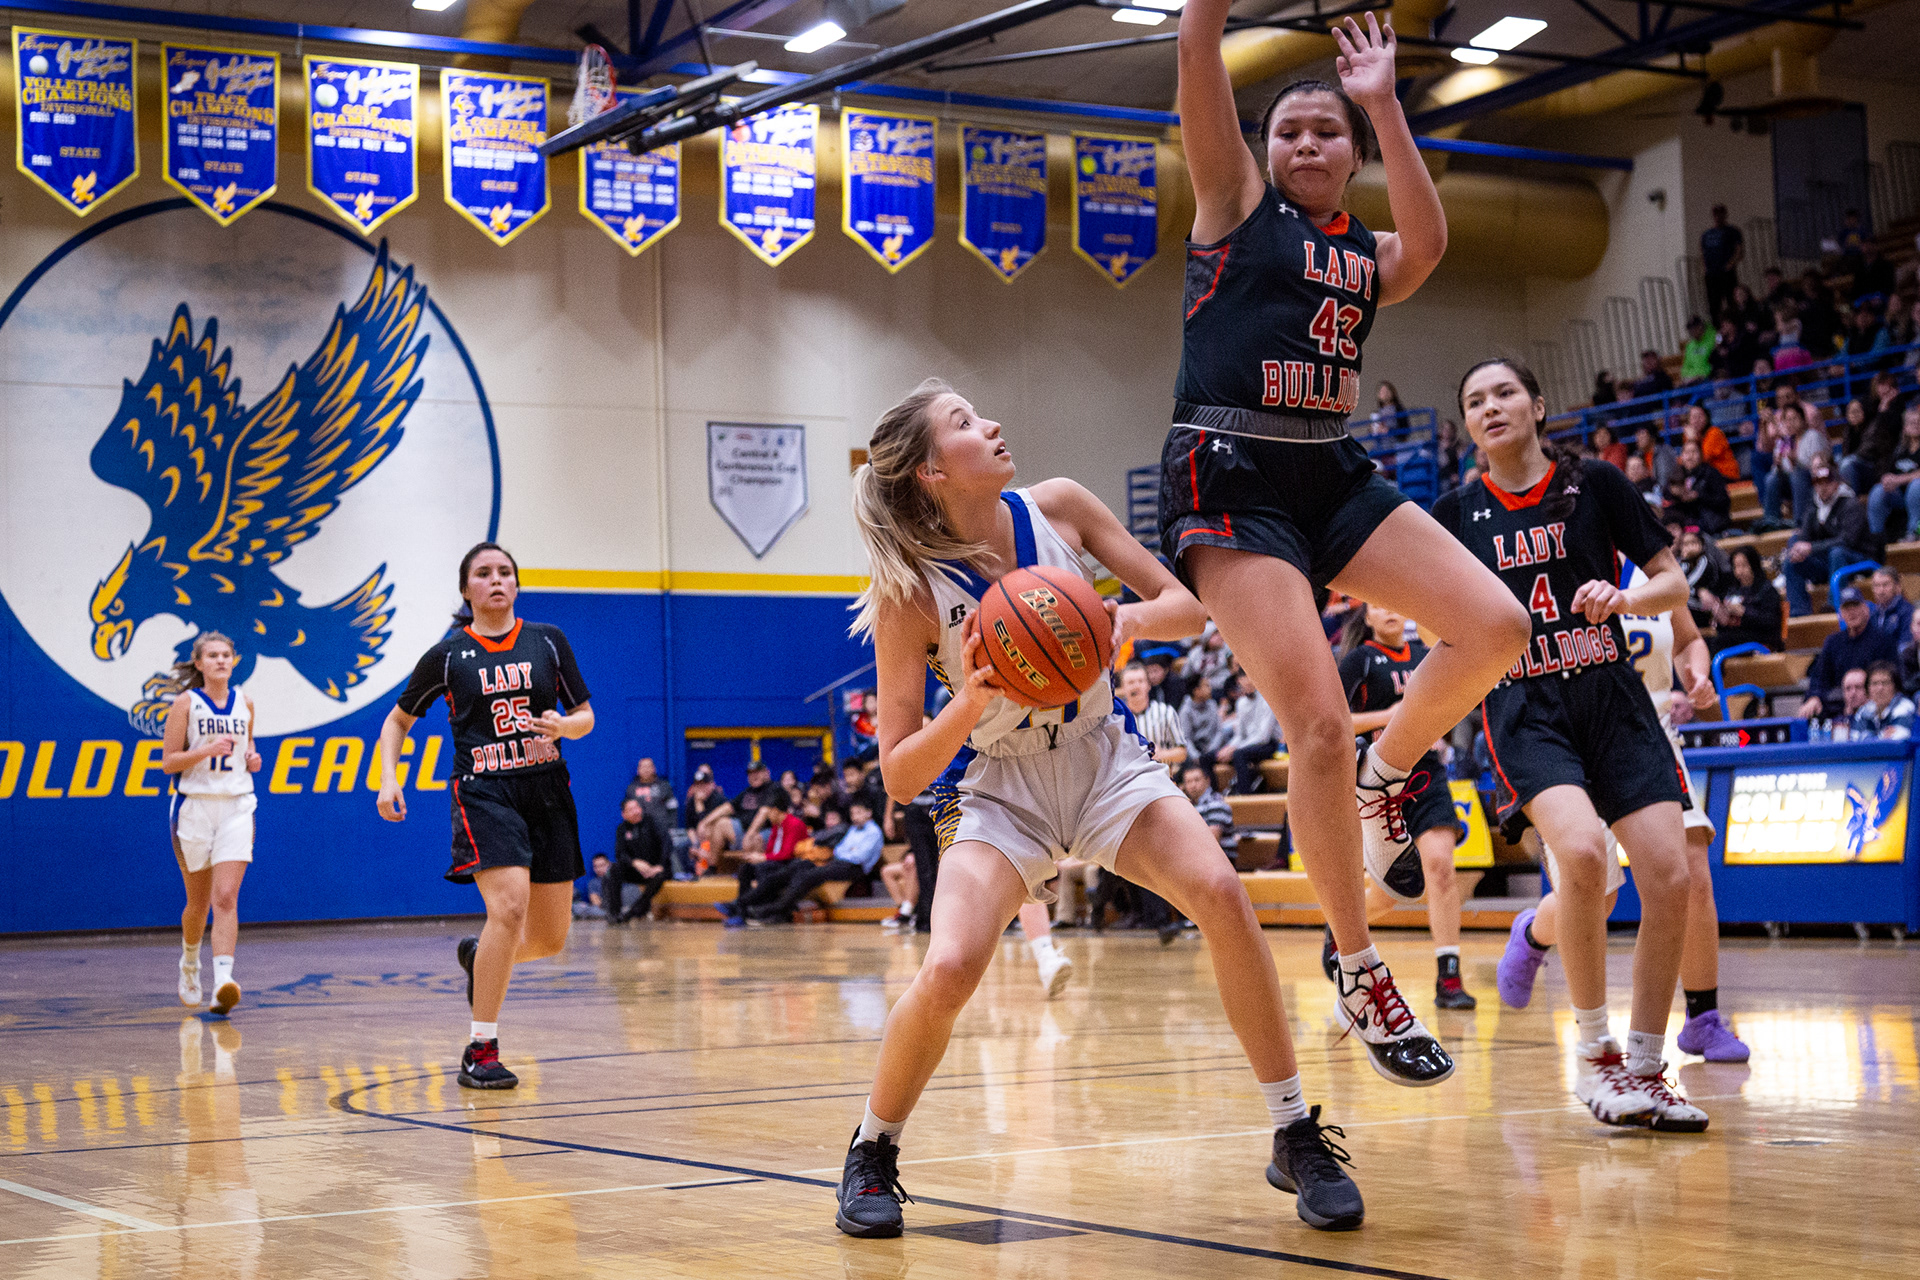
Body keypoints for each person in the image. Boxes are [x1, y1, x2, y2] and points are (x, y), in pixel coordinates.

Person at [837, 378, 1373, 1238]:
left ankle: (1294, 1130)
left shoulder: (1059, 507)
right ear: (934, 471)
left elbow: (1190, 608)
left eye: (984, 408)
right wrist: (970, 701)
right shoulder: (912, 591)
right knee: (949, 970)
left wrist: (1104, 619)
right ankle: (873, 1150)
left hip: (1104, 760)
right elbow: (900, 774)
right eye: (967, 422)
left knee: (1224, 899)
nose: (996, 420)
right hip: (996, 786)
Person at [1167, 0, 1526, 1104]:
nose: (1307, 144)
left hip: (1328, 466)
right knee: (1316, 721)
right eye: (1293, 131)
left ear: (1354, 152)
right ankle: (1360, 964)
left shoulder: (1362, 253)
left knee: (1500, 625)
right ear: (1266, 153)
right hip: (1231, 472)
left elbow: (1426, 245)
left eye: (1329, 132)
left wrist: (1384, 103)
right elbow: (1201, 73)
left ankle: (1389, 771)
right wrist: (1208, 13)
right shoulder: (1233, 204)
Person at [1433, 358, 1706, 1130]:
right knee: (1583, 855)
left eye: (1505, 393)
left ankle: (1649, 1069)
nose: (1491, 407)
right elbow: (1434, 623)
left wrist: (1625, 597)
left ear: (1538, 405)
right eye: (1475, 399)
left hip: (1612, 695)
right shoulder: (1456, 513)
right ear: (1469, 425)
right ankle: (1594, 1056)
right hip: (1526, 705)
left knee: (1669, 873)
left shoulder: (1599, 485)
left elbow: (1673, 582)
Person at [1499, 557, 1752, 1063]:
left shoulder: (1650, 571)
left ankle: (1702, 1017)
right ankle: (1532, 932)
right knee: (1599, 894)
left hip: (1652, 733)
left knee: (1692, 871)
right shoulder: (1548, 568)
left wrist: (1697, 675)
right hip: (1577, 740)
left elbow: (1688, 640)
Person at [376, 542, 595, 1090]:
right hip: (484, 790)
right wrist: (387, 777)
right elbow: (396, 722)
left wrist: (565, 727)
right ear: (467, 588)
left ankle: (481, 960)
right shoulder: (449, 656)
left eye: (506, 572)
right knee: (509, 908)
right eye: (484, 573)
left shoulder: (549, 641)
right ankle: (481, 1048)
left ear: (517, 585)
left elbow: (586, 714)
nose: (497, 580)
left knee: (549, 940)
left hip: (547, 791)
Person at [1325, 602, 1476, 1010]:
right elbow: (1331, 718)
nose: (1389, 610)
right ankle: (1340, 929)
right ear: (1366, 618)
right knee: (1392, 894)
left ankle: (1449, 977)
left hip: (1426, 771)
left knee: (1441, 867)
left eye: (1394, 603)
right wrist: (1388, 716)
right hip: (1379, 777)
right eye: (1377, 605)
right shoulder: (1359, 659)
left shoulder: (1427, 656)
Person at [161, 631, 263, 1016]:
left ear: (233, 661)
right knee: (198, 903)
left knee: (226, 897)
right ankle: (190, 962)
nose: (221, 660)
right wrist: (204, 750)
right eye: (213, 655)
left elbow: (247, 749)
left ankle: (223, 982)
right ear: (200, 663)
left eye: (227, 654)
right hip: (194, 806)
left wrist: (252, 758)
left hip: (237, 804)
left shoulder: (245, 703)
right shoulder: (185, 704)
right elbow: (169, 761)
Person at [743, 797, 889, 922]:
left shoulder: (873, 832)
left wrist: (848, 852)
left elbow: (859, 857)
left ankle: (776, 909)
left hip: (854, 868)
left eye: (859, 812)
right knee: (799, 867)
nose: (855, 816)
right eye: (852, 813)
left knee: (808, 876)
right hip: (838, 862)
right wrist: (849, 851)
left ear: (869, 813)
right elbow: (840, 849)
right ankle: (757, 904)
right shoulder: (853, 829)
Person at [1783, 464, 1878, 617]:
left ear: (1837, 483)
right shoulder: (1814, 507)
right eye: (1818, 483)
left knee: (1837, 553)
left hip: (1859, 559)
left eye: (1827, 482)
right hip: (1829, 562)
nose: (1823, 487)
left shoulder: (1851, 504)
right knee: (1792, 560)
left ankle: (1833, 605)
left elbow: (1848, 541)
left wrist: (1811, 548)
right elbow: (1804, 537)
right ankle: (1798, 611)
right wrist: (1798, 549)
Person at [1796, 586, 1898, 718]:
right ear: (1841, 614)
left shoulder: (1883, 640)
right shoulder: (1833, 642)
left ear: (1866, 609)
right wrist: (1814, 696)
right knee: (1811, 709)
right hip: (1840, 704)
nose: (1851, 612)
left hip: (1875, 703)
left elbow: (1891, 677)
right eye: (1847, 609)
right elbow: (1820, 676)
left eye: (1855, 606)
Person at [717, 788, 809, 925]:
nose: (767, 817)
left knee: (763, 868)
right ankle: (742, 913)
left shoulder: (794, 824)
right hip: (777, 862)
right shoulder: (777, 826)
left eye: (768, 812)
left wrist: (763, 858)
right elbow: (771, 850)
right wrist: (759, 856)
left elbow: (787, 854)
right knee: (746, 868)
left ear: (776, 810)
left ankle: (742, 907)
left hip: (790, 865)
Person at [1707, 544, 1783, 653]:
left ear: (1753, 565)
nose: (1739, 572)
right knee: (1708, 641)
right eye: (1736, 567)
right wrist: (1721, 616)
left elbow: (1771, 622)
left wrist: (1744, 612)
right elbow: (1723, 628)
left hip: (1761, 638)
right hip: (1738, 636)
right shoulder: (1732, 591)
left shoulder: (1767, 590)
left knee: (1719, 642)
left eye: (1743, 566)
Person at [1216, 671, 1281, 794]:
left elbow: (1263, 737)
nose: (1247, 682)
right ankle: (1214, 798)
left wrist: (1235, 748)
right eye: (1243, 679)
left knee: (1239, 755)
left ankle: (1245, 796)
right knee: (1208, 758)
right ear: (1239, 681)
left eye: (1250, 678)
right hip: (1246, 744)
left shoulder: (1269, 699)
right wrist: (1229, 747)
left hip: (1269, 745)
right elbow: (1240, 735)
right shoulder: (1241, 703)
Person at [607, 797, 669, 923]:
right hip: (636, 870)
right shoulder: (622, 829)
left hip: (657, 869)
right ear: (624, 814)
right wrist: (634, 863)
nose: (636, 811)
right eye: (631, 809)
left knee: (660, 876)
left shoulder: (653, 822)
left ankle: (633, 912)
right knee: (613, 870)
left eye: (637, 807)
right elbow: (620, 853)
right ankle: (614, 913)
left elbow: (667, 844)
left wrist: (660, 866)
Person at [1119, 659, 1190, 767]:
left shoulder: (1166, 712)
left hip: (1160, 777)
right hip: (1129, 780)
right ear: (1123, 689)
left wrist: (1162, 754)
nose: (1136, 686)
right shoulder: (1116, 718)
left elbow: (1182, 752)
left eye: (1140, 681)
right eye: (1131, 682)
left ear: (1148, 685)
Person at [1662, 441, 1730, 534]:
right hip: (1684, 524)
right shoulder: (1675, 475)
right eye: (1686, 453)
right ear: (1681, 456)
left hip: (1709, 524)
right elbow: (1666, 500)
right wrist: (1675, 495)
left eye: (1694, 452)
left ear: (1701, 455)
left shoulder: (1711, 473)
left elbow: (1723, 501)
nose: (1690, 457)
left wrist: (1699, 496)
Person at [1179, 760, 1238, 856]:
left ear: (1207, 780)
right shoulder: (1188, 805)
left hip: (1221, 862)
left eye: (1197, 780)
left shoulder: (1216, 803)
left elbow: (1212, 843)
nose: (1193, 785)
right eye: (1189, 782)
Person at [1700, 204, 1745, 324]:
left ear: (1725, 215)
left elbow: (1739, 250)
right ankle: (1717, 328)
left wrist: (1731, 264)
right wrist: (1704, 269)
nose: (1718, 217)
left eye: (1721, 214)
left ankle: (1734, 325)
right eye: (1716, 214)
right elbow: (1703, 252)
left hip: (1726, 273)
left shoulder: (1732, 231)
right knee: (1714, 304)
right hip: (1711, 273)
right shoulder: (1707, 234)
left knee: (1731, 301)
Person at [1853, 661, 1915, 739]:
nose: (1880, 688)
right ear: (1868, 688)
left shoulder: (1904, 707)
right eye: (1875, 683)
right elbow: (1854, 742)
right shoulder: (1863, 711)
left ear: (1895, 687)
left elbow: (1895, 743)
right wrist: (1882, 736)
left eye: (1885, 683)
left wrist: (1867, 739)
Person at [1178, 675, 1231, 760]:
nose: (1210, 689)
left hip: (1214, 749)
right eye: (1206, 686)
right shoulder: (1185, 711)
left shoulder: (1212, 704)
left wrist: (1211, 751)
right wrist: (1197, 757)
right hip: (1195, 752)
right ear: (1196, 691)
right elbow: (1186, 739)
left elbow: (1219, 731)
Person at [623, 757, 678, 833]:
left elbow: (672, 808)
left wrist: (672, 827)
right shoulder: (631, 789)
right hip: (639, 830)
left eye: (649, 767)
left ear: (654, 769)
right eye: (643, 767)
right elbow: (627, 811)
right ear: (638, 770)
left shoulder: (664, 786)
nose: (646, 770)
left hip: (661, 829)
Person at [1870, 567, 1914, 646]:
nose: (1881, 590)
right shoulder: (1872, 613)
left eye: (1885, 585)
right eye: (1876, 586)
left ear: (1897, 587)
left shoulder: (1908, 612)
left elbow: (1906, 646)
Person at [1679, 316, 1716, 385]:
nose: (1692, 332)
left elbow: (1713, 362)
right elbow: (1686, 365)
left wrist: (1700, 375)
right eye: (1690, 330)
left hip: (1708, 378)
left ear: (1701, 327)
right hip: (1693, 379)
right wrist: (1686, 377)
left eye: (1694, 328)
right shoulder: (1690, 346)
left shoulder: (1713, 339)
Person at [575, 854, 609, 919]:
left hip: (621, 907)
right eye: (596, 867)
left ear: (609, 864)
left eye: (602, 865)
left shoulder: (618, 879)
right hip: (602, 909)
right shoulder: (593, 883)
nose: (599, 869)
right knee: (578, 907)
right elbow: (595, 901)